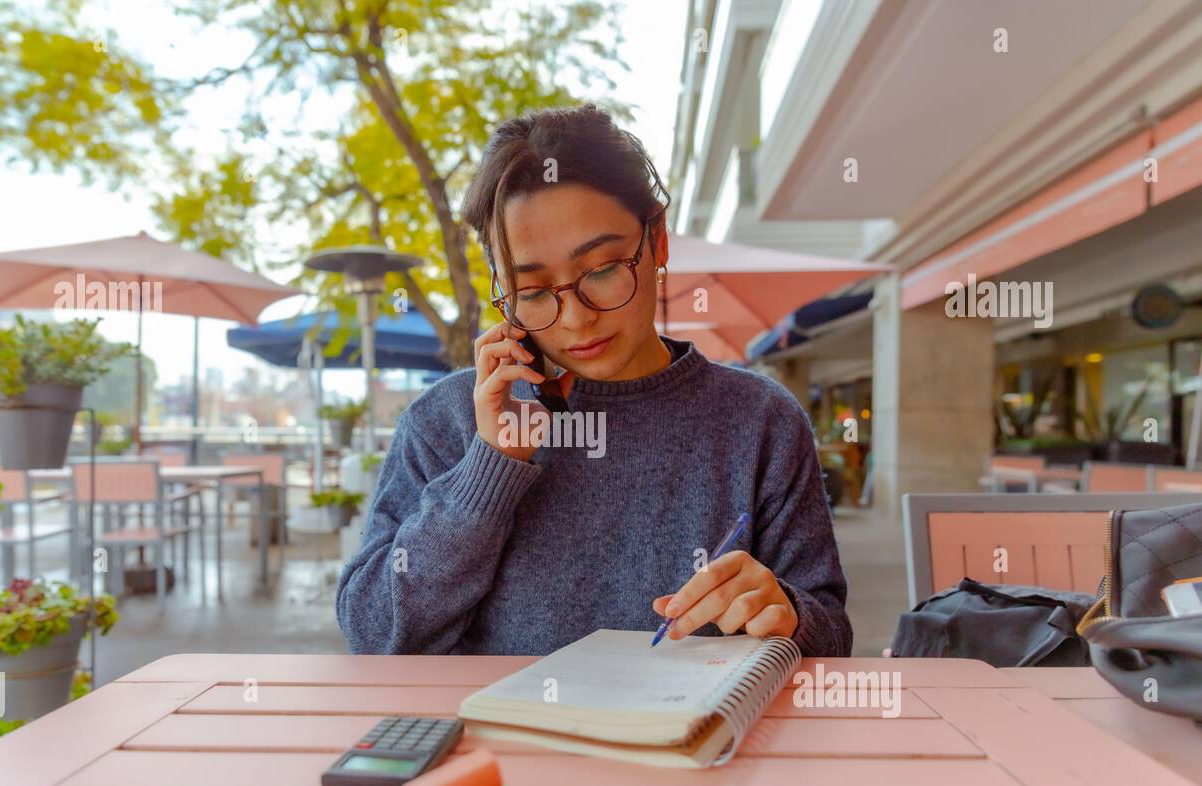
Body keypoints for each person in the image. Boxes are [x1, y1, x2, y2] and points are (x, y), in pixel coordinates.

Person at [336, 103, 852, 657]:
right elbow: (374, 632)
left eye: (603, 270)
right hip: (500, 742)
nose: (577, 318)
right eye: (532, 292)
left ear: (657, 242)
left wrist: (787, 614)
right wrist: (487, 469)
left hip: (698, 740)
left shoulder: (761, 420)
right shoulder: (447, 421)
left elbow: (830, 635)